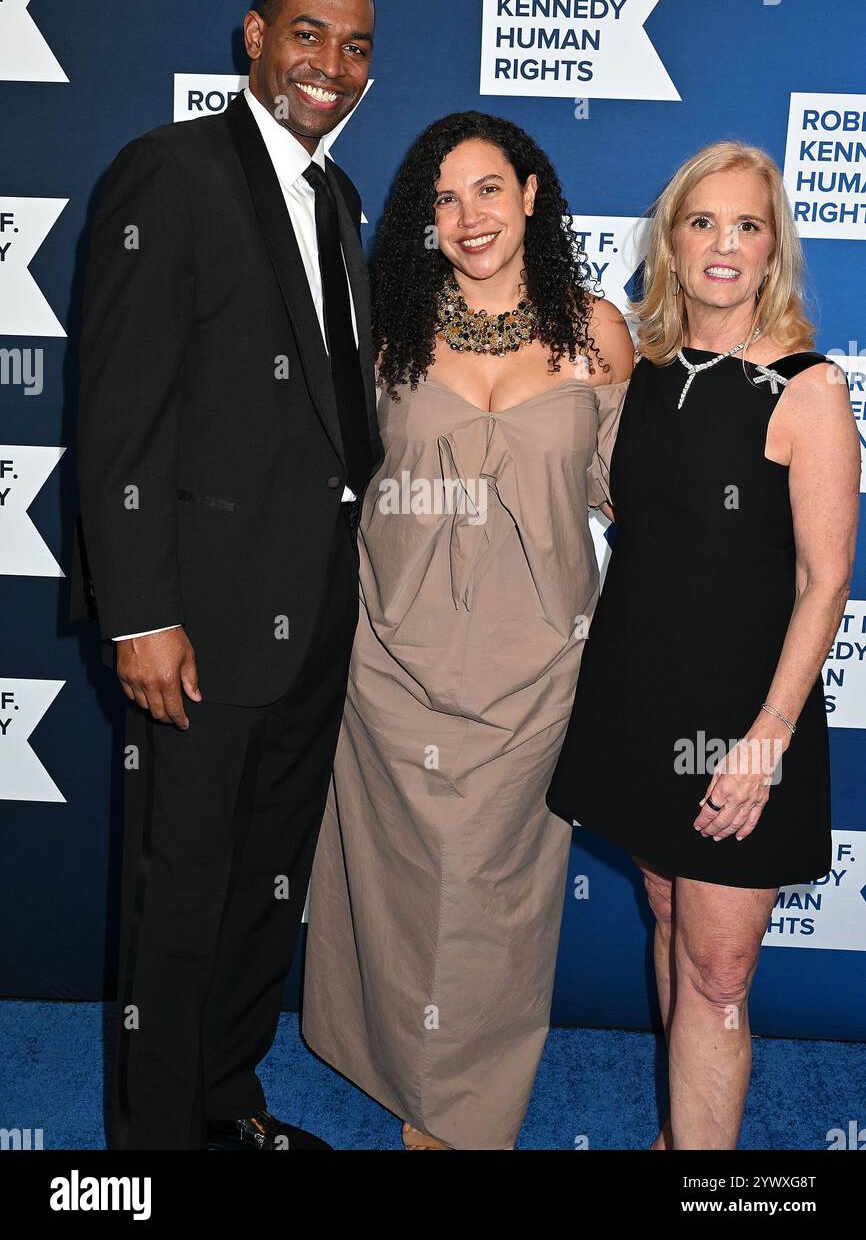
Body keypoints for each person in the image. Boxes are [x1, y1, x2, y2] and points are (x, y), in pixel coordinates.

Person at [76, 0, 382, 1151]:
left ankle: (226, 1102)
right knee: (182, 903)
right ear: (253, 37)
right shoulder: (172, 170)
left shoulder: (339, 197)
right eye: (308, 35)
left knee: (265, 892)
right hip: (194, 629)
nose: (330, 66)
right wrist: (138, 611)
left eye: (355, 46)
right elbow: (117, 414)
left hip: (309, 622)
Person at [302, 111, 634, 1150]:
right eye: (443, 198)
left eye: (488, 188)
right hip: (390, 657)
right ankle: (406, 1077)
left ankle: (458, 1116)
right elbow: (335, 477)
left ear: (531, 195)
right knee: (400, 888)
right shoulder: (393, 328)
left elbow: (632, 500)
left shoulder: (596, 331)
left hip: (535, 666)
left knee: (496, 898)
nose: (467, 215)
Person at [547, 140, 860, 1151]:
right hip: (639, 702)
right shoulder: (641, 376)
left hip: (743, 722)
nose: (722, 244)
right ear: (670, 245)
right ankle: (682, 1141)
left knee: (719, 974)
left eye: (747, 225)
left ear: (771, 252)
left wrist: (765, 737)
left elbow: (824, 582)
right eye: (702, 222)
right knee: (670, 919)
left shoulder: (807, 390)